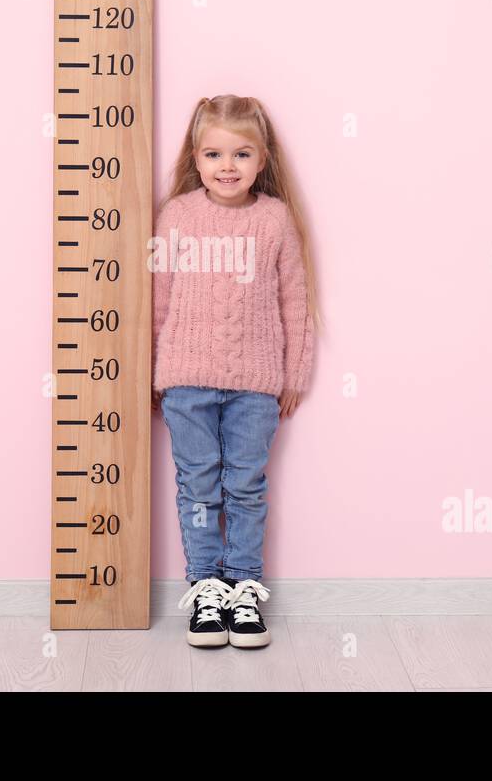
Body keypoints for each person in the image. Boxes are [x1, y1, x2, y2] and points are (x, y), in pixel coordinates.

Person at [149, 94, 320, 648]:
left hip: (255, 385)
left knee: (245, 486)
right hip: (186, 382)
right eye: (214, 153)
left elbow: (295, 300)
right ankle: (205, 588)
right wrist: (154, 371)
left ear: (263, 159)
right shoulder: (176, 215)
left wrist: (294, 373)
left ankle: (244, 587)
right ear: (195, 158)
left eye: (242, 154)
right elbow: (159, 296)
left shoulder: (273, 220)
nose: (228, 166)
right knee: (198, 487)